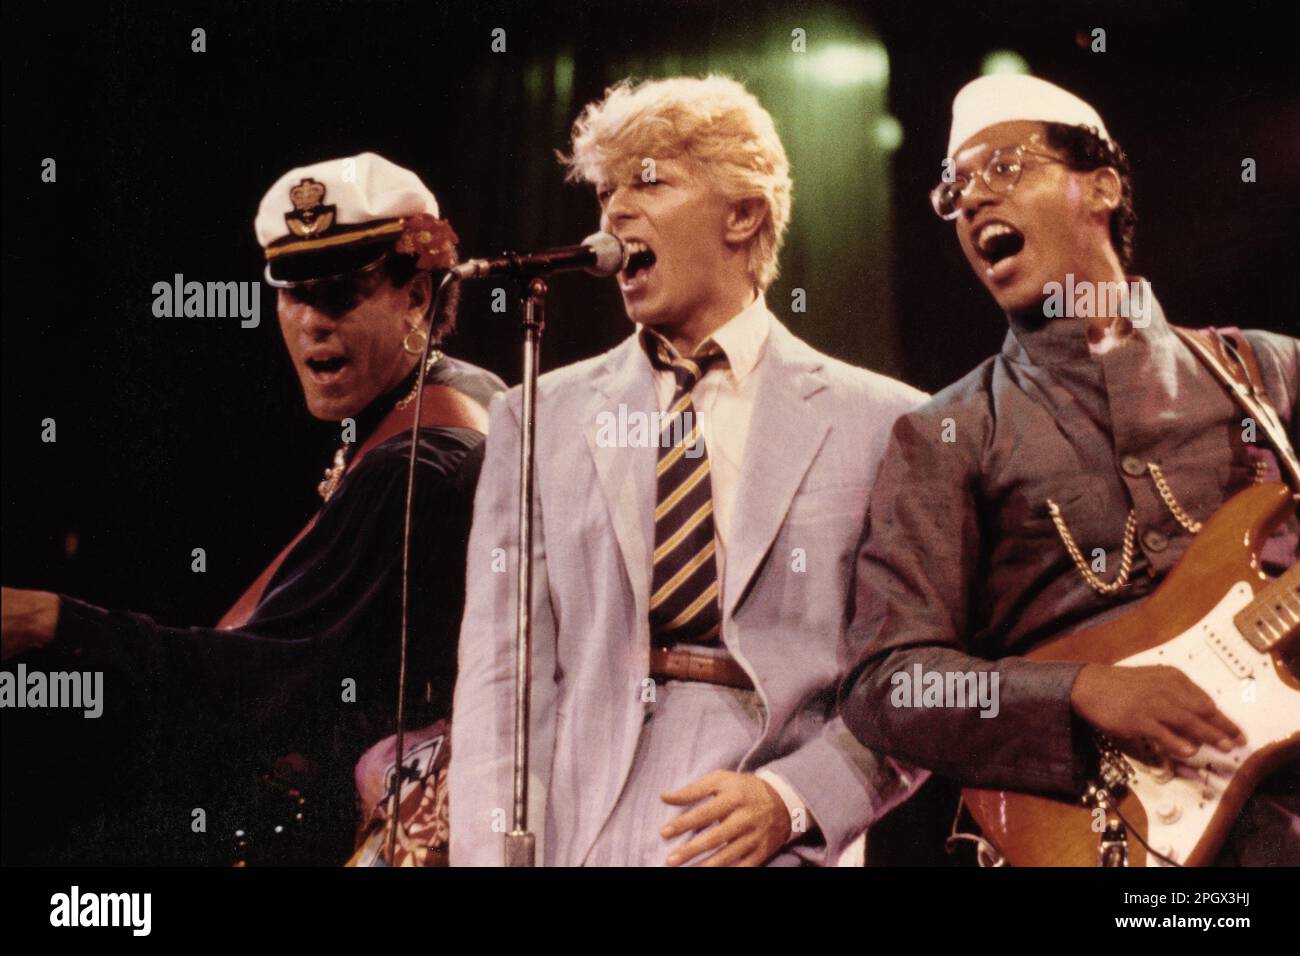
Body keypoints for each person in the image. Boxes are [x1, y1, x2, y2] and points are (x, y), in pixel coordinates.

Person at [449, 76, 927, 867]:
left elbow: (915, 680)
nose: (614, 216)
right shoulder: (537, 417)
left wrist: (796, 799)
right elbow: (502, 676)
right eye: (605, 193)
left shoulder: (885, 422)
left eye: (648, 182)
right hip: (577, 829)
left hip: (770, 833)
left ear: (743, 213)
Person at [837, 75, 1299, 865]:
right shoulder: (947, 431)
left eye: (1003, 168)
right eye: (955, 190)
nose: (974, 199)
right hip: (1088, 832)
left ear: (1104, 187)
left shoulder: (1270, 372)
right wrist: (1079, 693)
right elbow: (890, 687)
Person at [0, 152, 504, 864]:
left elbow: (264, 684)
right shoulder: (467, 393)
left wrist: (50, 621)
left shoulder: (419, 461)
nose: (312, 325)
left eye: (340, 294)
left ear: (418, 295)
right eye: (294, 294)